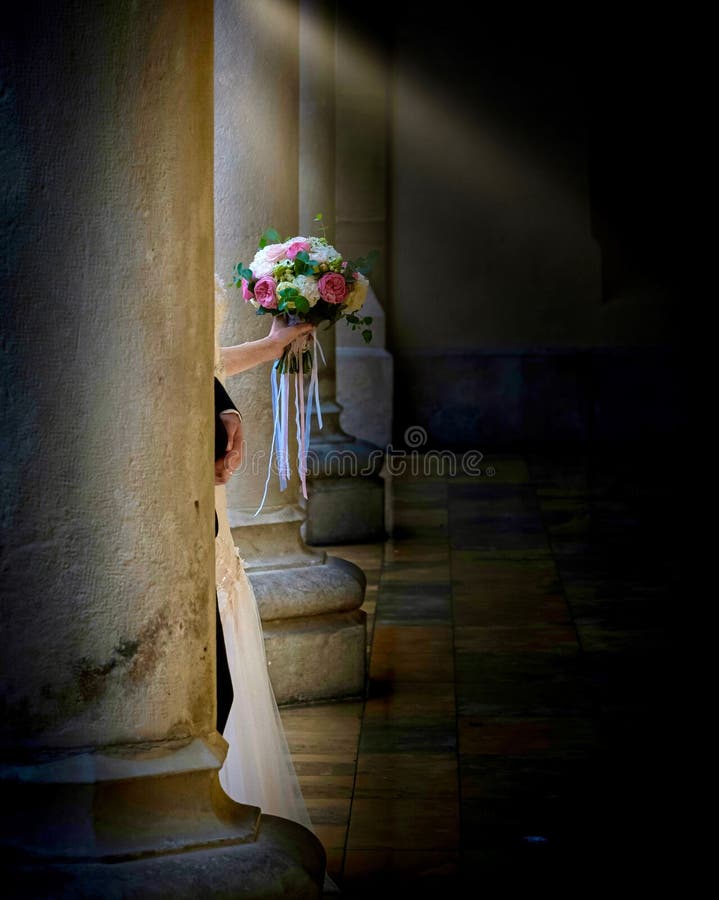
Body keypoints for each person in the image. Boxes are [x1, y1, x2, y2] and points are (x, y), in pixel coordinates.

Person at [212, 279, 339, 893]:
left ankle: (219, 807)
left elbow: (195, 359)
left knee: (223, 648)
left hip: (203, 480)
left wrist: (225, 407)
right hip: (170, 473)